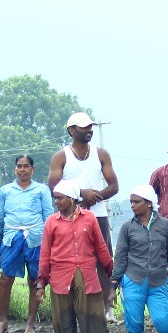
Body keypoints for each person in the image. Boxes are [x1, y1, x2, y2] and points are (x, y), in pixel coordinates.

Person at [50, 112, 120, 313]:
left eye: (90, 127)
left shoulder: (101, 154)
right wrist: (80, 195)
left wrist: (94, 197)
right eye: (84, 127)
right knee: (71, 259)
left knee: (103, 258)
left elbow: (114, 186)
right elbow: (53, 185)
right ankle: (75, 305)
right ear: (71, 130)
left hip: (97, 215)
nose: (89, 131)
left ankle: (107, 309)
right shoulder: (61, 156)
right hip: (69, 217)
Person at [36, 179, 114, 333]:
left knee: (94, 318)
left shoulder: (89, 218)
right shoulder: (51, 222)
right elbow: (45, 254)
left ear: (71, 199)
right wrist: (41, 284)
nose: (56, 202)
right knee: (63, 321)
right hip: (60, 277)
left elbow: (101, 249)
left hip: (87, 276)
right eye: (55, 198)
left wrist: (113, 277)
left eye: (60, 198)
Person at [0, 154, 54, 333]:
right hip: (11, 238)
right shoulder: (5, 191)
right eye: (19, 166)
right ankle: (3, 321)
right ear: (14, 169)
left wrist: (50, 245)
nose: (22, 170)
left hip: (36, 239)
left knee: (35, 280)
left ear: (32, 169)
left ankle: (30, 323)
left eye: (26, 166)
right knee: (5, 278)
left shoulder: (41, 190)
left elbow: (49, 217)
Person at [111, 185, 168, 333]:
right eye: (131, 201)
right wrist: (113, 286)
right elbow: (120, 257)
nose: (132, 205)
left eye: (136, 201)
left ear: (149, 203)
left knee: (164, 321)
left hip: (158, 281)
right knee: (134, 323)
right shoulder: (127, 227)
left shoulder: (165, 225)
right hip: (133, 280)